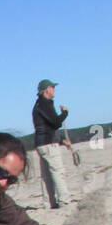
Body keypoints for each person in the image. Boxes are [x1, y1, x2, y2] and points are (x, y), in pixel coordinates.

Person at [32, 79, 74, 208]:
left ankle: (49, 203)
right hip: (48, 144)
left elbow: (49, 126)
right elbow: (55, 122)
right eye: (53, 87)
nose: (54, 90)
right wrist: (65, 113)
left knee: (46, 176)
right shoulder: (44, 104)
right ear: (47, 90)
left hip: (42, 143)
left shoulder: (40, 104)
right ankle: (64, 200)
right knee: (57, 172)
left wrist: (61, 140)